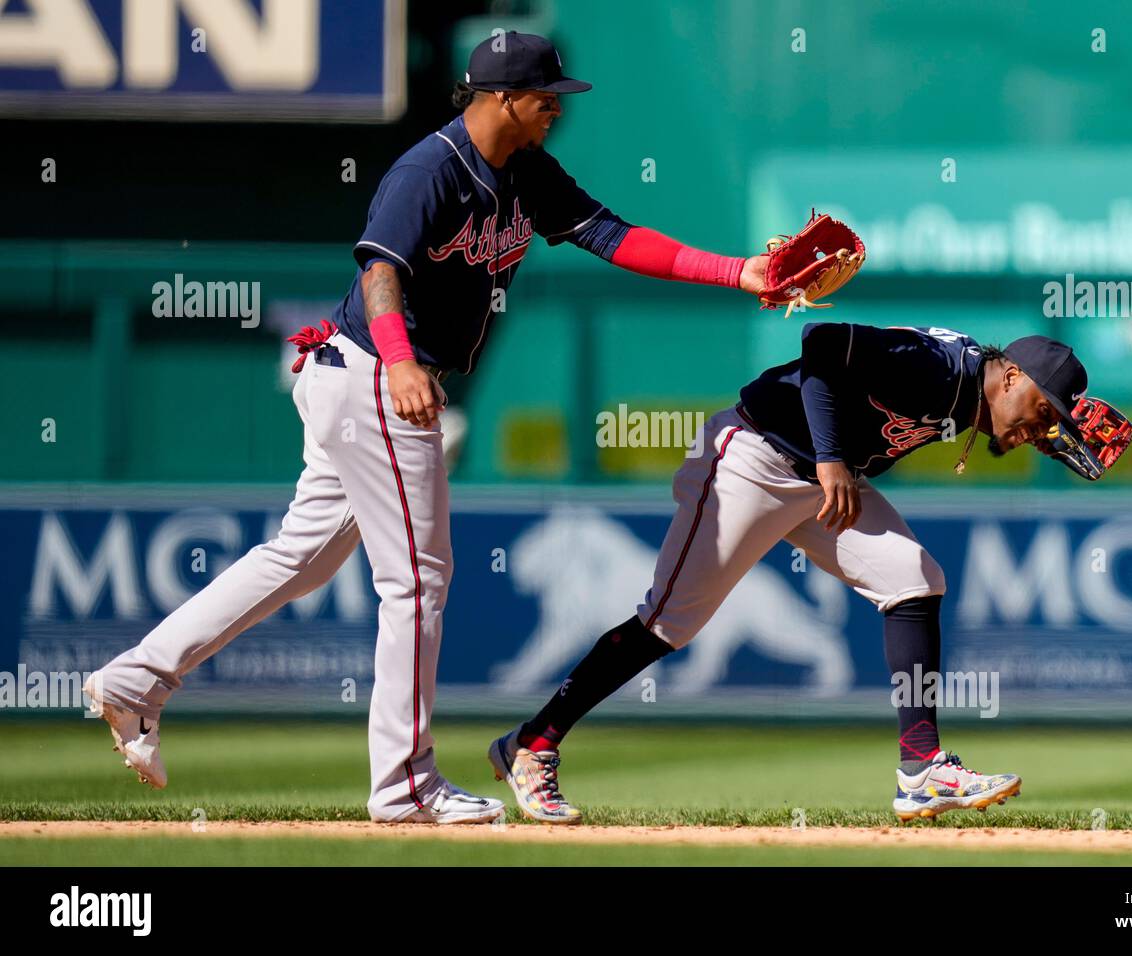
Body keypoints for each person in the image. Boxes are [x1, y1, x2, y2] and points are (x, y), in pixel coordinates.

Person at [83, 31, 768, 824]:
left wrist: (737, 271)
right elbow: (381, 270)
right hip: (377, 371)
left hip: (362, 377)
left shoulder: (526, 172)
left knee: (300, 559)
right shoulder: (429, 169)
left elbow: (612, 236)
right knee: (417, 580)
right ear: (503, 97)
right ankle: (404, 785)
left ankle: (137, 681)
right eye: (547, 94)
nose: (557, 106)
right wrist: (404, 361)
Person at [489, 326, 1102, 823]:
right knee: (667, 622)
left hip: (822, 485)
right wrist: (834, 459)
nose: (1040, 427)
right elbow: (822, 345)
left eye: (1051, 423)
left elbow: (997, 424)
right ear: (1013, 375)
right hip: (753, 459)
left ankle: (921, 769)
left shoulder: (982, 390)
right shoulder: (941, 367)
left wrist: (1042, 432)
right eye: (1043, 411)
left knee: (915, 577)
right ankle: (534, 742)